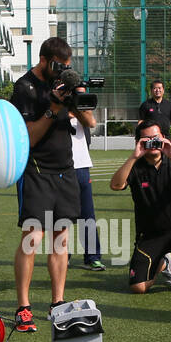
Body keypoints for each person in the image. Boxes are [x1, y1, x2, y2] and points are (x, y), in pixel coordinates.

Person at [8, 36, 96, 331]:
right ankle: (23, 307)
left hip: (66, 170)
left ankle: (57, 302)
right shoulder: (24, 87)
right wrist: (53, 106)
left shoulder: (65, 84)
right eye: (58, 66)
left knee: (61, 240)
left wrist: (76, 94)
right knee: (32, 239)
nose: (61, 71)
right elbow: (28, 136)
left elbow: (91, 122)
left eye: (66, 67)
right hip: (35, 169)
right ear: (44, 60)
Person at [109, 122, 171, 293]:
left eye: (156, 137)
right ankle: (163, 262)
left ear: (163, 138)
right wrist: (134, 156)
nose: (152, 142)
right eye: (146, 139)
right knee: (138, 288)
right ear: (139, 142)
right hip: (149, 235)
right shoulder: (136, 166)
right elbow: (116, 185)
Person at [70, 111, 105, 270]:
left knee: (87, 214)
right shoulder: (52, 104)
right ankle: (63, 255)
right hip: (59, 166)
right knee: (62, 215)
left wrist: (76, 110)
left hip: (81, 165)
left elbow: (91, 123)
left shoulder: (80, 108)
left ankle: (92, 257)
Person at [137, 79, 171, 146]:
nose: (157, 90)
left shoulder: (169, 105)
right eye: (155, 88)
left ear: (163, 90)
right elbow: (140, 122)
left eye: (159, 88)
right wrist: (138, 136)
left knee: (166, 156)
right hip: (150, 138)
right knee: (151, 156)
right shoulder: (145, 105)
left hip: (165, 137)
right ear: (151, 90)